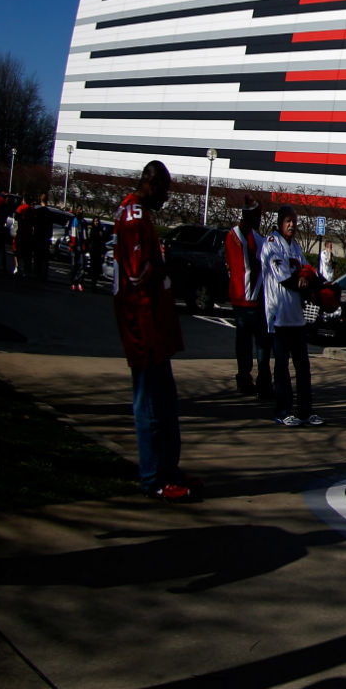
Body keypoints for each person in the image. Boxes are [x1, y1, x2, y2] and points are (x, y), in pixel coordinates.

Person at [113, 161, 192, 500]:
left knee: (165, 403)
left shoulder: (138, 215)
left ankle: (168, 471)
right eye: (166, 191)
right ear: (154, 184)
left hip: (153, 326)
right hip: (142, 327)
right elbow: (135, 274)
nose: (167, 198)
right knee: (150, 406)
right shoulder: (132, 217)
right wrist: (161, 267)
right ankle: (153, 479)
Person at [263, 205, 321, 427]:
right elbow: (286, 278)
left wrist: (320, 288)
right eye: (288, 220)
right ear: (280, 222)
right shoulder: (272, 245)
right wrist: (303, 282)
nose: (292, 225)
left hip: (297, 317)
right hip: (279, 317)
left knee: (303, 366)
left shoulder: (296, 246)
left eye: (295, 221)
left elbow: (307, 271)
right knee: (282, 367)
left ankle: (306, 411)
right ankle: (283, 410)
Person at [225, 197, 270, 397]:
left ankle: (245, 379)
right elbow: (260, 263)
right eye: (258, 215)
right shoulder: (251, 237)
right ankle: (262, 381)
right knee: (261, 343)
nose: (260, 219)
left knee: (243, 343)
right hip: (252, 298)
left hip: (239, 297)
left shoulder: (232, 235)